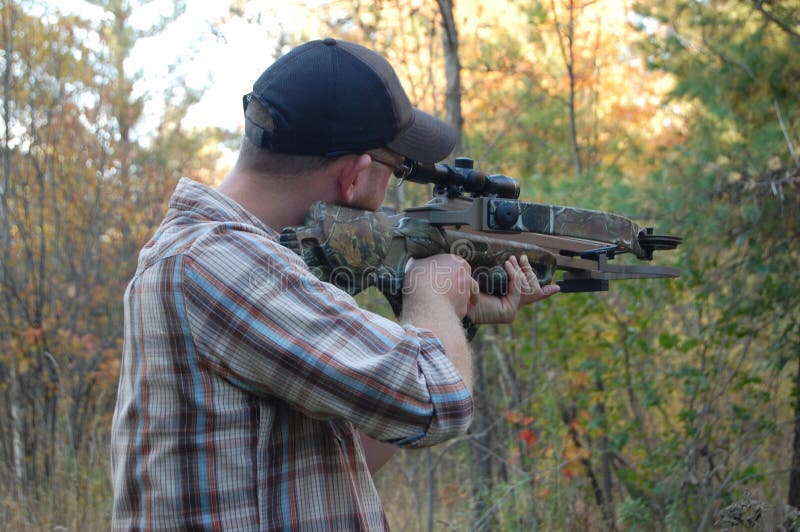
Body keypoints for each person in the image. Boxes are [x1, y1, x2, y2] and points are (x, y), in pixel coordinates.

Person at [110, 38, 559, 530]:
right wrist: (430, 295)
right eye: (400, 170)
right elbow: (439, 404)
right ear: (354, 176)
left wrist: (456, 320)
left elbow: (342, 459)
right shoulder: (221, 265)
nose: (394, 187)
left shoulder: (217, 258)